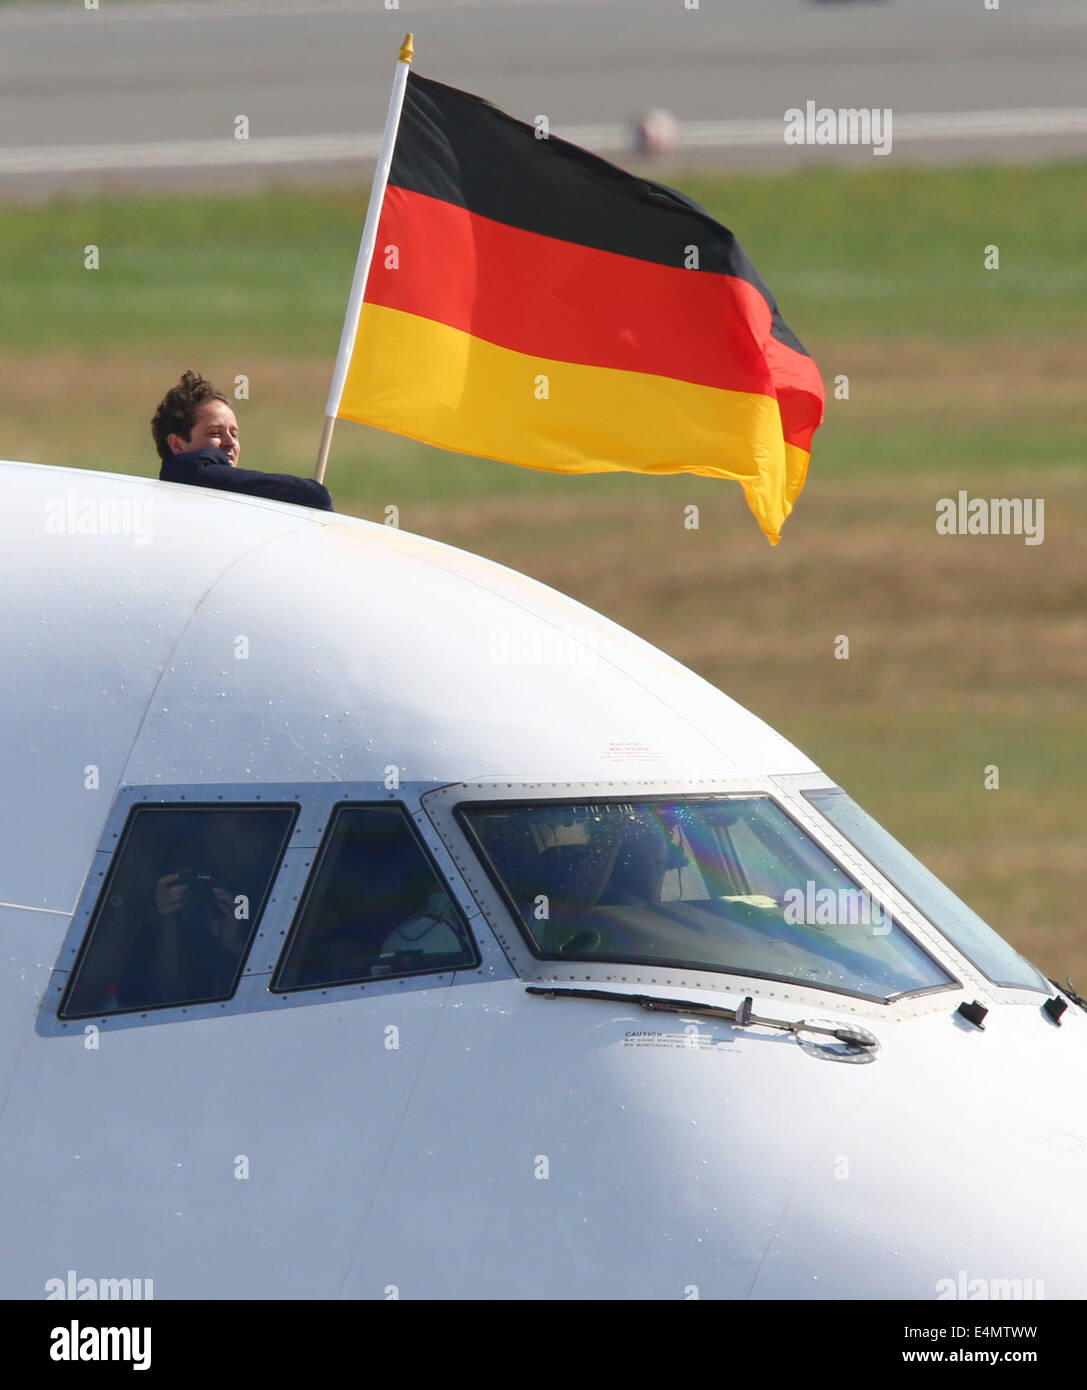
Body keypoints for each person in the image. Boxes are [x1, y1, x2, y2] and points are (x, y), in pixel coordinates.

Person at [151, 370, 334, 510]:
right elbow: (313, 496)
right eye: (215, 433)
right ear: (176, 444)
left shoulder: (225, 497)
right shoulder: (184, 473)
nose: (230, 442)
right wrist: (318, 493)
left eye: (234, 434)